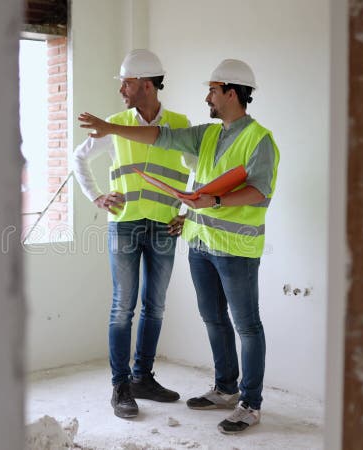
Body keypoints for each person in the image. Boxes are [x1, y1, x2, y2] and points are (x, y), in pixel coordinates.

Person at [77, 59, 279, 435]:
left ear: (231, 93)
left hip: (235, 248)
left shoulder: (259, 139)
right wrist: (110, 129)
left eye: (213, 91)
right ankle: (225, 388)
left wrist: (213, 204)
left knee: (246, 326)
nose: (208, 97)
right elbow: (160, 137)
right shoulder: (208, 135)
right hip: (200, 242)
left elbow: (259, 191)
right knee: (213, 320)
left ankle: (250, 403)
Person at [71, 49, 193, 419]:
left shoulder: (179, 124)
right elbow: (79, 157)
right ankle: (121, 385)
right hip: (124, 225)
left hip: (164, 226)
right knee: (123, 307)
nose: (121, 89)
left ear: (144, 84)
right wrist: (96, 196)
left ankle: (143, 378)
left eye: (125, 83)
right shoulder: (115, 122)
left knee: (155, 307)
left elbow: (199, 167)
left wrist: (188, 212)